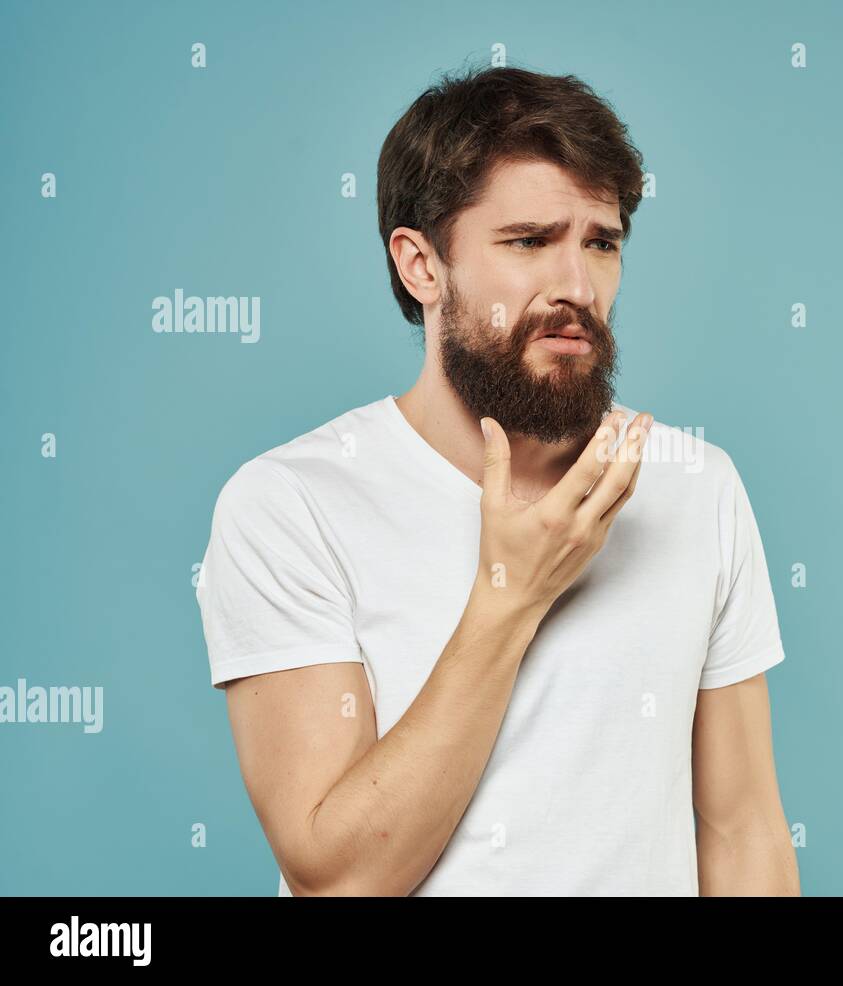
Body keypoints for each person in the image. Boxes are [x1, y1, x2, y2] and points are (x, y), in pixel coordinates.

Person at [195, 64, 798, 896]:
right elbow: (337, 876)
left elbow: (743, 831)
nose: (577, 288)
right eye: (528, 242)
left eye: (601, 242)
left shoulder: (697, 487)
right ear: (421, 265)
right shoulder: (290, 506)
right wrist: (511, 592)